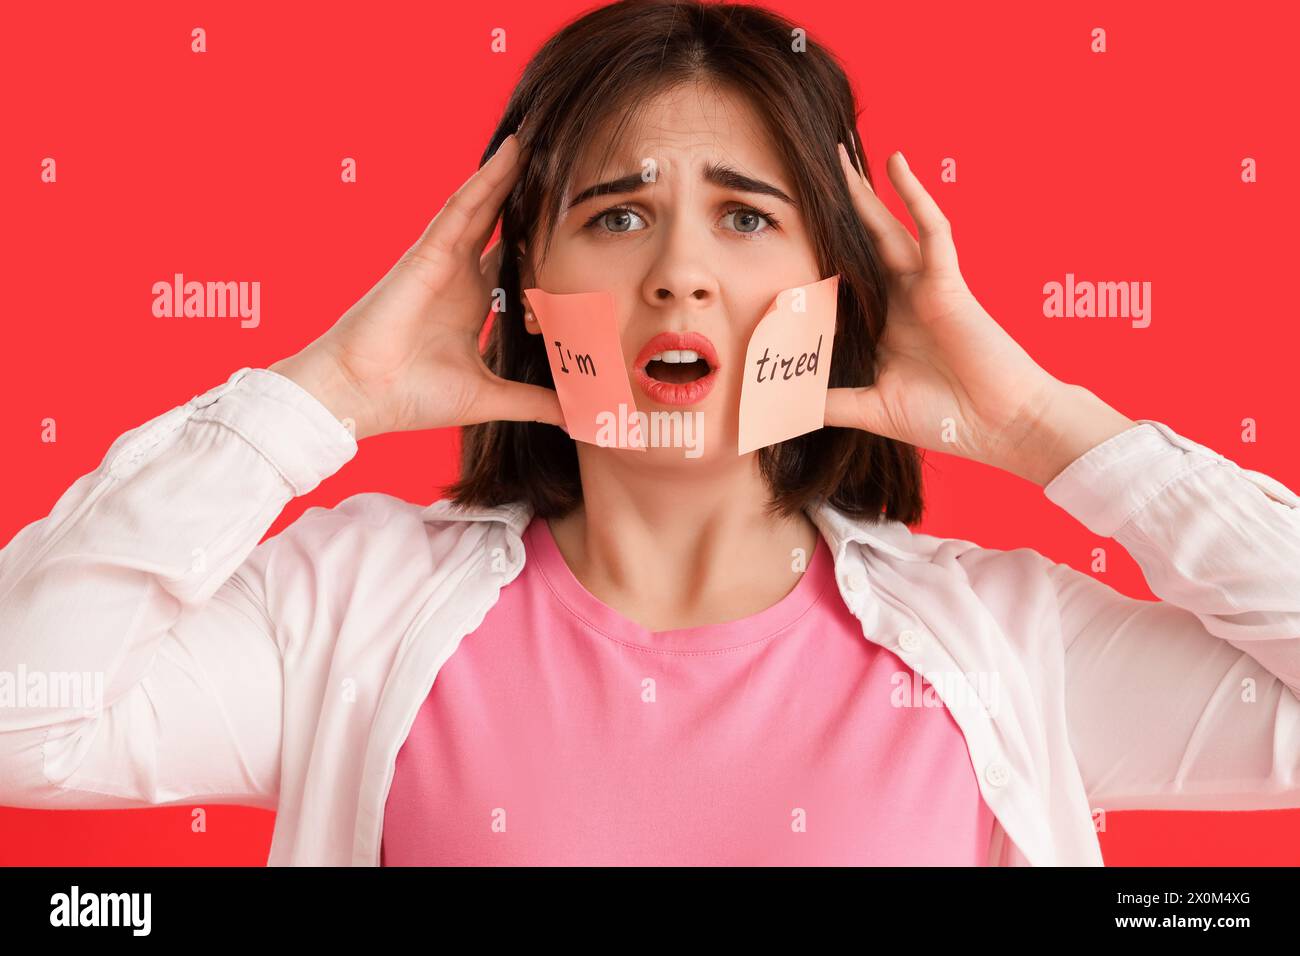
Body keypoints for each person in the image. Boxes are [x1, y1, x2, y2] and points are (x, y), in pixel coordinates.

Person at [2, 0, 1298, 867]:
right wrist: (324, 393)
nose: (679, 274)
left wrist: (1042, 425)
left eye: (745, 217)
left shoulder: (1011, 644)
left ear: (832, 289)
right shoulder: (348, 607)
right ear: (527, 284)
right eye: (617, 216)